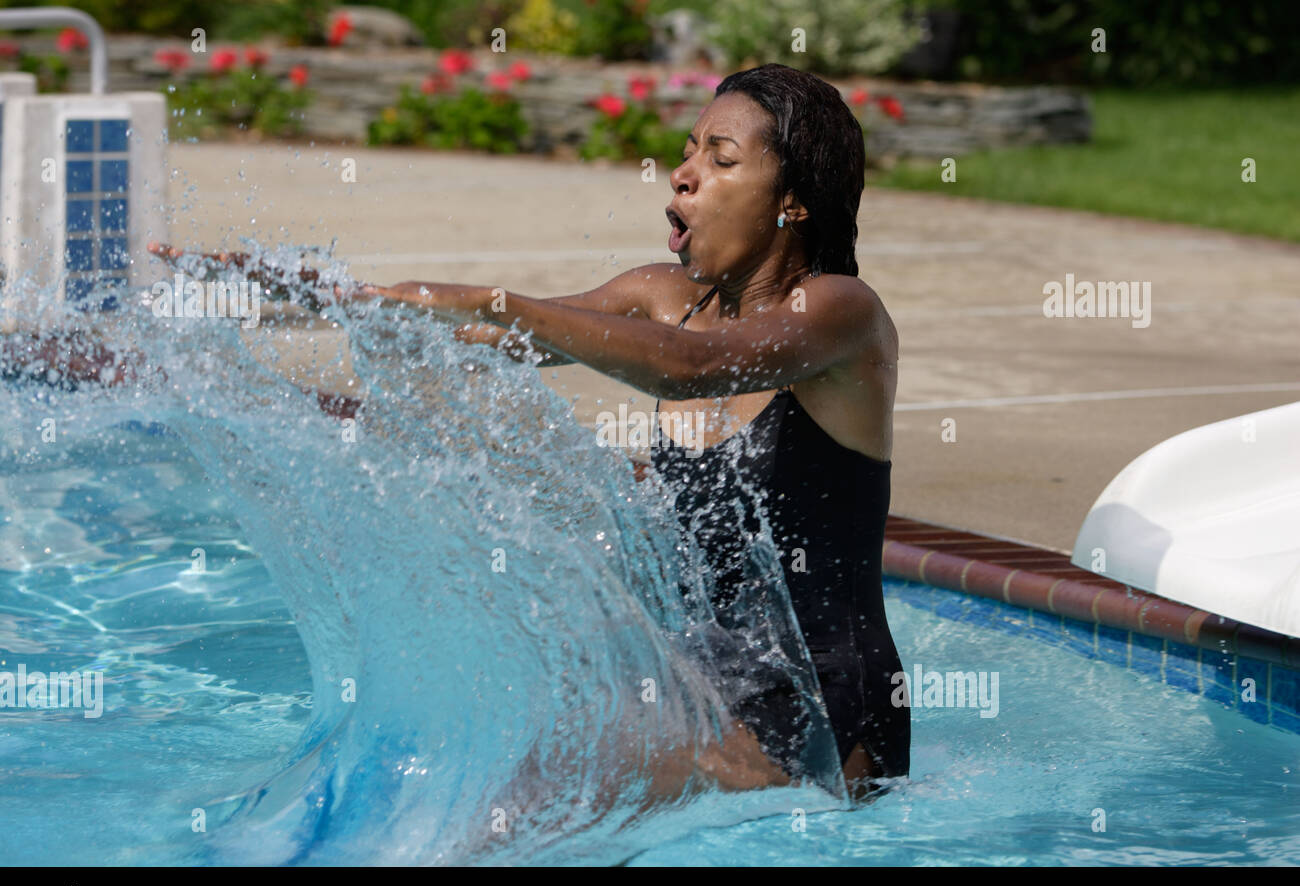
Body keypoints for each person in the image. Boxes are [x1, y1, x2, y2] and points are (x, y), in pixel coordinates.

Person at [148, 62, 909, 799]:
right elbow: (483, 335)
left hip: (823, 705)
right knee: (492, 751)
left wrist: (498, 302)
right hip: (711, 678)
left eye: (721, 159)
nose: (683, 175)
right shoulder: (662, 295)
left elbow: (689, 368)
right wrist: (335, 297)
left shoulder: (841, 312)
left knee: (543, 793)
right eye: (687, 153)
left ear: (793, 202)